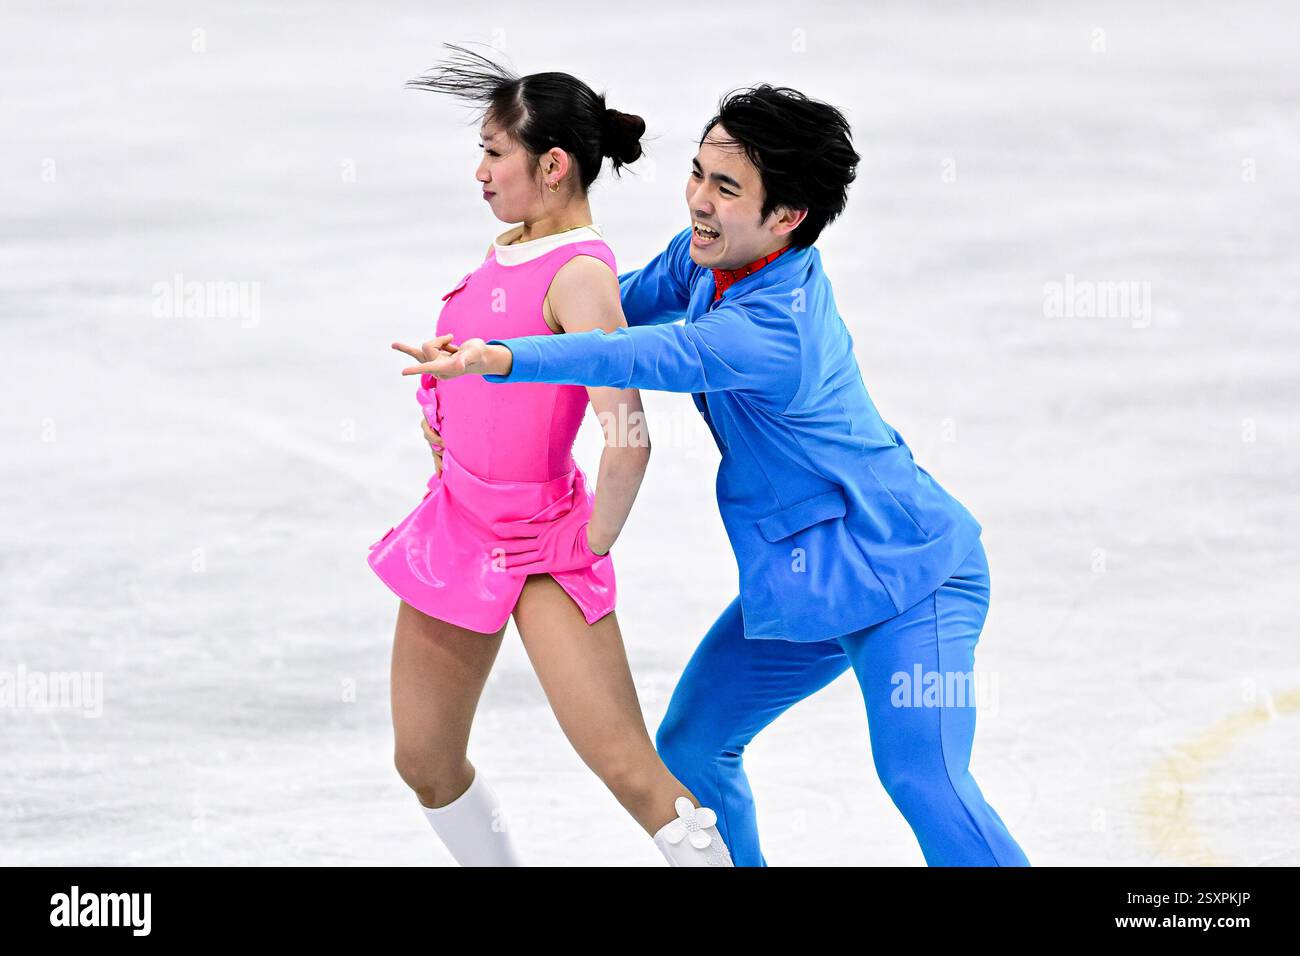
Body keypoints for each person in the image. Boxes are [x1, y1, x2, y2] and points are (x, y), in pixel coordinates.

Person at [408, 84, 1031, 867]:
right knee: (694, 748)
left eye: (726, 188)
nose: (699, 199)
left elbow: (633, 354)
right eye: (698, 172)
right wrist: (486, 330)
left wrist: (501, 360)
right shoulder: (707, 258)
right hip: (804, 581)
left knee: (923, 779)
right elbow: (604, 316)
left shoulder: (773, 333)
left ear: (788, 217)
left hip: (909, 580)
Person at [372, 44, 733, 867]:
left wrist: (591, 541)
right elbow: (505, 357)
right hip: (458, 526)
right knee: (424, 762)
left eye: (496, 153)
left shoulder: (578, 274)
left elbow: (628, 434)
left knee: (629, 769)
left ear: (554, 164)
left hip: (540, 542)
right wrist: (444, 399)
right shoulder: (514, 245)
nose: (481, 173)